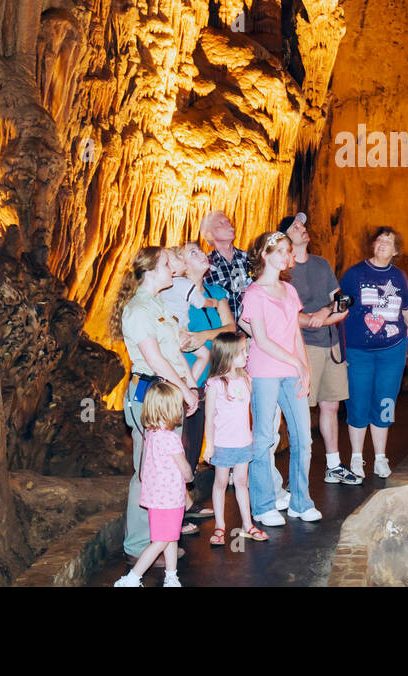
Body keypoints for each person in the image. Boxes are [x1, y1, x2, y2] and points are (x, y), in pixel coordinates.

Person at [113, 247, 200, 564]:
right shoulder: (138, 309)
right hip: (150, 394)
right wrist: (184, 390)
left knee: (165, 470)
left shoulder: (157, 304)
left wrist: (189, 384)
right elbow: (155, 359)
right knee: (147, 471)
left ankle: (162, 540)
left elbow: (176, 351)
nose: (172, 270)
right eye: (167, 264)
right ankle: (139, 546)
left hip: (167, 392)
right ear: (150, 270)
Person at [200, 209, 288, 509]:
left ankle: (267, 482)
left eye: (229, 220)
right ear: (209, 235)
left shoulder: (248, 260)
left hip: (254, 340)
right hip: (226, 347)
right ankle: (229, 470)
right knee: (229, 406)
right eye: (220, 223)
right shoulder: (206, 266)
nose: (230, 224)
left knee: (265, 414)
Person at [241, 230, 320, 526]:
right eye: (282, 250)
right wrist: (295, 362)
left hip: (291, 371)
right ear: (265, 254)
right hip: (264, 372)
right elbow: (260, 338)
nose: (288, 255)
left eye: (289, 250)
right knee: (263, 438)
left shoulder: (290, 291)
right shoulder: (254, 293)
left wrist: (305, 368)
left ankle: (301, 500)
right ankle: (263, 505)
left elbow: (294, 333)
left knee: (304, 438)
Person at [280, 212, 359, 485]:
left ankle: (334, 465)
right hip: (303, 348)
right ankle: (295, 473)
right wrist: (321, 317)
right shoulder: (284, 272)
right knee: (300, 411)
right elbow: (292, 316)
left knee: (331, 406)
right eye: (296, 226)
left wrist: (325, 313)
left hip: (331, 343)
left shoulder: (321, 264)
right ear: (285, 237)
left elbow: (340, 303)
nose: (303, 229)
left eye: (303, 224)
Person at [340, 227, 408, 479]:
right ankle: (357, 458)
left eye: (389, 241)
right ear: (373, 245)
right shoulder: (354, 274)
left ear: (395, 251)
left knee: (385, 401)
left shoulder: (399, 277)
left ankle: (380, 458)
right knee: (358, 401)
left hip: (391, 351)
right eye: (379, 239)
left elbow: (405, 307)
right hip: (358, 351)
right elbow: (340, 307)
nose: (383, 243)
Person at [173, 241, 236, 529]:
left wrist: (203, 336)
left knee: (197, 442)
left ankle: (186, 502)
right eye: (192, 252)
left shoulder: (215, 292)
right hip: (193, 377)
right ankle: (178, 507)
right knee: (185, 440)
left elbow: (231, 329)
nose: (201, 254)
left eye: (201, 250)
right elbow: (179, 334)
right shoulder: (175, 293)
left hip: (219, 375)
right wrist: (200, 339)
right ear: (182, 265)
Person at [113, 381, 194, 587]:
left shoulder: (151, 435)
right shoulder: (171, 439)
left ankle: (171, 575)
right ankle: (132, 578)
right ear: (171, 410)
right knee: (161, 541)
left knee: (170, 537)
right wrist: (189, 477)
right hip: (169, 499)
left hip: (156, 498)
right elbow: (184, 468)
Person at [202, 332, 269, 546]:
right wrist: (209, 445)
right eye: (242, 351)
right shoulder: (215, 384)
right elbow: (209, 416)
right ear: (228, 355)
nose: (246, 354)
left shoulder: (245, 379)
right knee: (221, 483)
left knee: (241, 483)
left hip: (243, 442)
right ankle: (220, 526)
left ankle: (247, 524)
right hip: (223, 443)